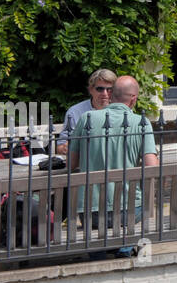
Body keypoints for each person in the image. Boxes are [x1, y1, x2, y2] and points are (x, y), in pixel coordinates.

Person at [67, 76, 158, 233]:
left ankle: (98, 253)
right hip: (128, 208)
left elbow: (71, 164)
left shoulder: (86, 118)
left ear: (111, 95)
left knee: (97, 236)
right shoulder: (141, 123)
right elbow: (152, 168)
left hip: (91, 210)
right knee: (140, 208)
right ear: (133, 99)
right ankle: (124, 249)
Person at [54, 69, 117, 155]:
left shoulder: (121, 111)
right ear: (91, 89)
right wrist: (66, 147)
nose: (105, 93)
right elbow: (60, 148)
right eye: (100, 89)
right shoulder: (74, 112)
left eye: (110, 89)